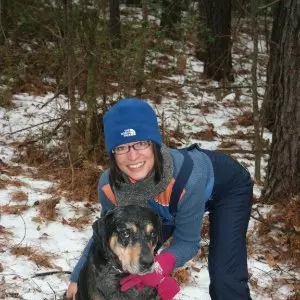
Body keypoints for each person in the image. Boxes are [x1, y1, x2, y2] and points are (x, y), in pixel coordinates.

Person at [66, 98, 253, 300]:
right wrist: (78, 277)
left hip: (226, 191)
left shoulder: (186, 179)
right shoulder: (110, 187)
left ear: (154, 144)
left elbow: (187, 242)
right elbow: (104, 233)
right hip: (167, 202)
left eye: (141, 143)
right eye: (122, 147)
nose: (133, 156)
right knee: (135, 253)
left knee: (225, 275)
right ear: (113, 153)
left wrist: (162, 264)